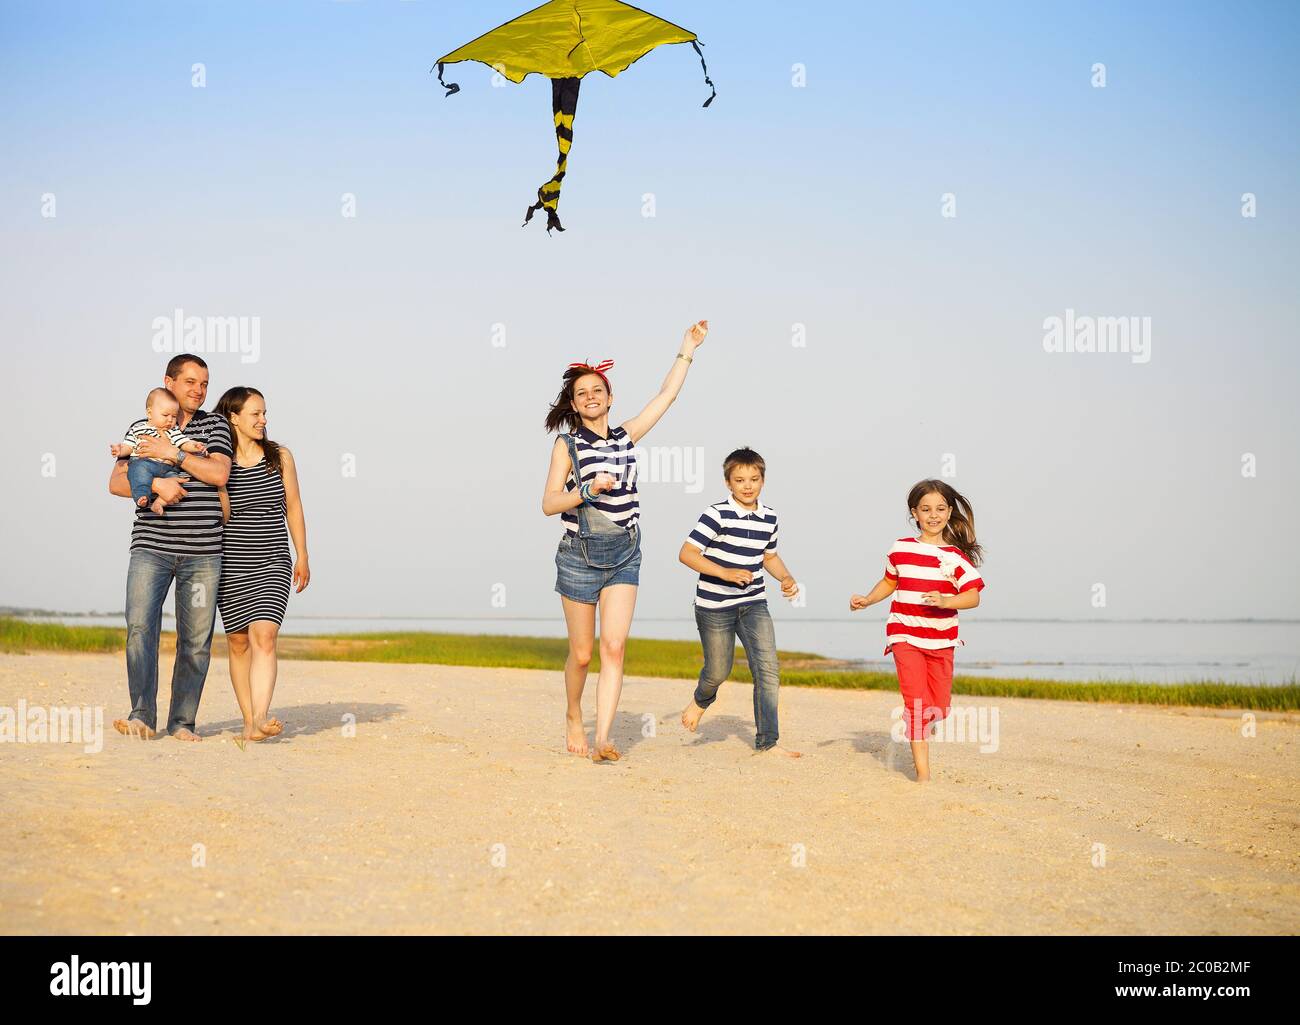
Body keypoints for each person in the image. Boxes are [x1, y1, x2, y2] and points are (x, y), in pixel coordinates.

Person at [542, 320, 709, 762]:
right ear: (574, 405)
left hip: (624, 554)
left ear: (610, 397)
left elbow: (667, 396)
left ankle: (603, 740)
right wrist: (587, 491)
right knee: (581, 655)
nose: (591, 396)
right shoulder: (566, 446)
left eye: (598, 390)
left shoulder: (627, 436)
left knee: (613, 647)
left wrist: (686, 347)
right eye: (582, 393)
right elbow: (548, 503)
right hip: (578, 556)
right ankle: (574, 714)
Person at [107, 355, 233, 741]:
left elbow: (219, 473)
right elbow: (115, 481)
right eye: (191, 382)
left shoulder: (215, 426)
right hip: (152, 546)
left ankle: (182, 722)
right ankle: (142, 714)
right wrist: (158, 486)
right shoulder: (144, 426)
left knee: (196, 641)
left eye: (205, 384)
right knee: (140, 629)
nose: (198, 390)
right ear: (169, 382)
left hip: (202, 551)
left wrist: (174, 455)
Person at [849, 479, 985, 781]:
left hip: (941, 639)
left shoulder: (955, 557)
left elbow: (973, 596)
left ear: (949, 512)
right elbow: (890, 581)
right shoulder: (901, 548)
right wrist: (868, 599)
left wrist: (947, 600)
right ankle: (923, 775)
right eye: (926, 509)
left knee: (939, 707)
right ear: (915, 513)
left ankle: (927, 721)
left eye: (939, 509)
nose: (933, 515)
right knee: (917, 705)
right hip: (905, 635)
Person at [679, 448, 801, 756]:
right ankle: (701, 700)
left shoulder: (769, 517)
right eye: (740, 480)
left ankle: (768, 741)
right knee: (718, 671)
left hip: (754, 602)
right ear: (728, 483)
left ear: (763, 480)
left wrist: (785, 578)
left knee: (768, 670)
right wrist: (725, 572)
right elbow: (687, 554)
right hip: (714, 606)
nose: (748, 486)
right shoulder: (716, 514)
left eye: (754, 479)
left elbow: (769, 556)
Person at [214, 386, 310, 742]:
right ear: (233, 418)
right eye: (255, 414)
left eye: (264, 413)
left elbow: (295, 506)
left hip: (272, 560)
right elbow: (220, 514)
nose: (263, 420)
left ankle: (261, 715)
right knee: (238, 642)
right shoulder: (220, 463)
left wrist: (302, 554)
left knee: (264, 635)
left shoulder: (280, 457)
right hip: (231, 562)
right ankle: (249, 720)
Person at [110, 387, 208, 516]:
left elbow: (184, 443)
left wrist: (196, 446)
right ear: (150, 413)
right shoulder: (138, 429)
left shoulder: (173, 431)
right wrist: (119, 449)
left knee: (176, 481)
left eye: (174, 416)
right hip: (144, 463)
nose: (170, 420)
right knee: (138, 472)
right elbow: (128, 446)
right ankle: (141, 495)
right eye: (165, 415)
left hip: (168, 467)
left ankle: (159, 503)